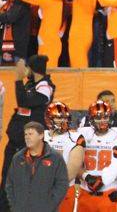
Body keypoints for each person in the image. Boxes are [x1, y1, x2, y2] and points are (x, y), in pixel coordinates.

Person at [1, 55, 55, 209]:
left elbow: (24, 101)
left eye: (27, 68)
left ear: (33, 69)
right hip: (15, 143)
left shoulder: (46, 87)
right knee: (7, 182)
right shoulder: (30, 85)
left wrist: (18, 79)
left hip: (29, 147)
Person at [4, 121, 68, 212]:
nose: (27, 137)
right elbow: (9, 184)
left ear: (41, 135)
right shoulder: (18, 158)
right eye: (25, 134)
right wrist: (14, 206)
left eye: (30, 134)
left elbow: (62, 185)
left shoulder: (55, 158)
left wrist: (49, 206)